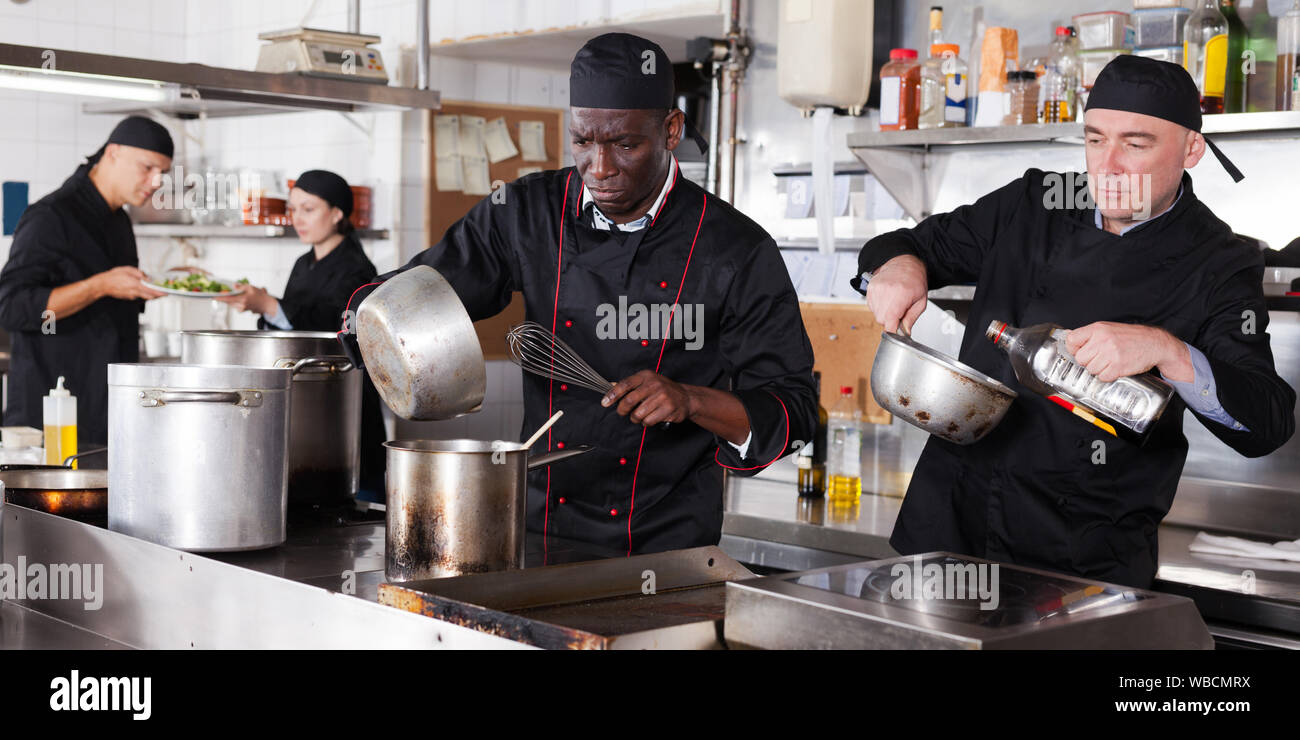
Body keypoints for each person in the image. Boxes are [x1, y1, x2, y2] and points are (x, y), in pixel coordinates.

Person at [341, 33, 817, 556]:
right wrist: (365, 317)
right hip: (537, 528)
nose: (600, 167)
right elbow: (426, 289)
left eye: (625, 144)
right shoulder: (525, 211)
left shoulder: (737, 248)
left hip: (668, 541)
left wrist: (690, 399)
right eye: (582, 141)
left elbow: (791, 411)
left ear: (672, 130)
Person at [856, 55, 1295, 588]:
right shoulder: (1033, 203)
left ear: (1191, 149)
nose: (1107, 166)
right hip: (948, 530)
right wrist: (900, 266)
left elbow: (1267, 423)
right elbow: (908, 245)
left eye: (1135, 145)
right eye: (1094, 140)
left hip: (1083, 562)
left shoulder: (1221, 261)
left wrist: (1168, 350)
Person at [0, 116, 172, 447]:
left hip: (106, 413)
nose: (156, 181)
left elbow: (111, 302)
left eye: (163, 173)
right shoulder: (50, 216)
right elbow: (12, 308)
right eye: (148, 168)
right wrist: (100, 285)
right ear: (114, 153)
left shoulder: (119, 220)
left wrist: (153, 285)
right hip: (50, 416)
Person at [218, 170, 387, 497]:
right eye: (293, 209)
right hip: (306, 404)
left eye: (308, 209)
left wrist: (269, 305)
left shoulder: (357, 268)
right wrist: (265, 308)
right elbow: (290, 321)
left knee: (355, 512)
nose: (297, 218)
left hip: (343, 404)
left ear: (337, 213)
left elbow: (334, 328)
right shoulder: (302, 263)